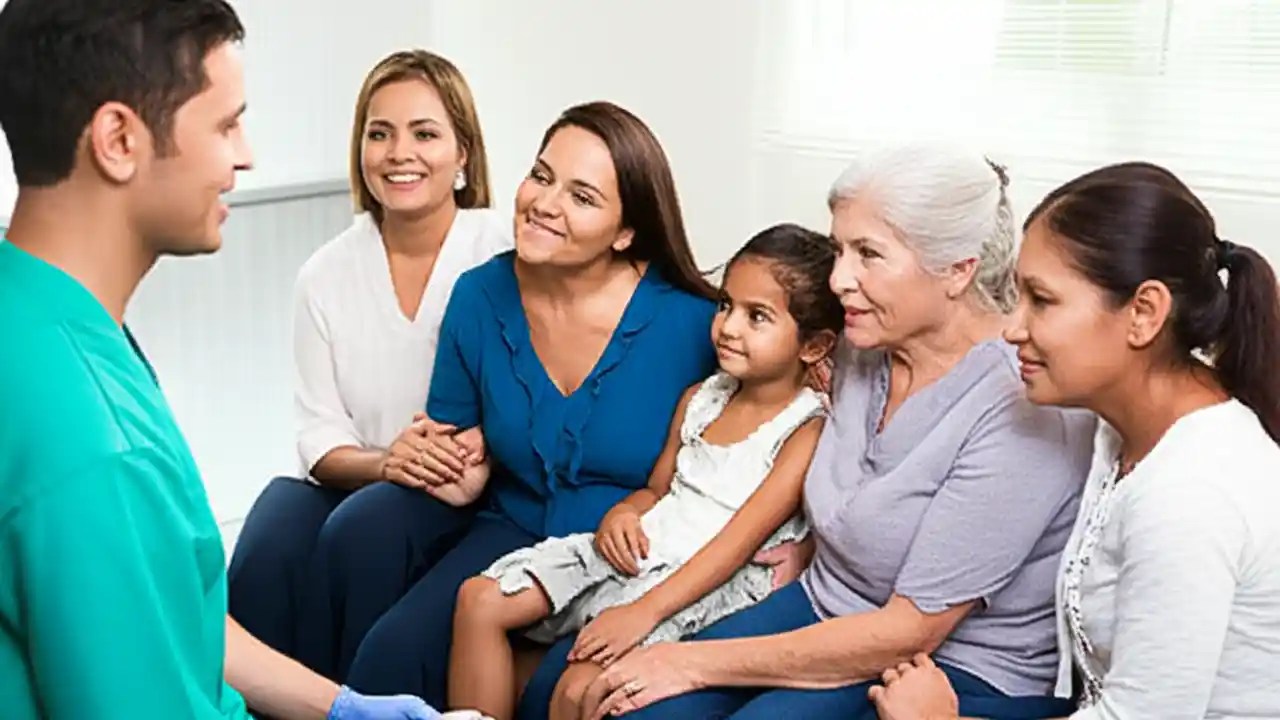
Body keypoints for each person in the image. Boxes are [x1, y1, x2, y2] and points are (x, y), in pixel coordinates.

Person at [0, 1, 443, 717]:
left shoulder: (34, 315)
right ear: (119, 140)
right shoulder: (97, 445)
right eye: (226, 125)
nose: (246, 156)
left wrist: (341, 706)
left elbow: (169, 615)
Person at [552, 146, 1094, 720]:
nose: (839, 279)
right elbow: (861, 485)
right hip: (824, 599)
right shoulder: (862, 346)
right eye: (839, 250)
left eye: (869, 255)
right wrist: (815, 547)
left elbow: (909, 630)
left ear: (958, 270)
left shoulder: (1021, 408)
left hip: (947, 662)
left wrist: (687, 662)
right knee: (622, 702)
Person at [299, 101, 720, 708]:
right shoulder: (479, 295)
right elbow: (457, 444)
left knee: (555, 687)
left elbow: (752, 449)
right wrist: (455, 468)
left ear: (625, 232)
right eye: (541, 176)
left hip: (627, 552)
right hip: (510, 531)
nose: (545, 203)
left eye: (581, 196)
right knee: (389, 655)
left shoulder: (694, 325)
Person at [869, 162, 1280, 720]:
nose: (1013, 328)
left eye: (1041, 300)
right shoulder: (1120, 428)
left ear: (1144, 313)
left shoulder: (1189, 496)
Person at [448, 223, 844, 720]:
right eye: (725, 305)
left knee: (580, 688)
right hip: (644, 549)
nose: (728, 327)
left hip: (700, 582)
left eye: (756, 316)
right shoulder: (701, 398)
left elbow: (735, 546)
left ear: (814, 346)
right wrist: (624, 513)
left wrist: (642, 613)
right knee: (479, 600)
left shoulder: (805, 431)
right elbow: (658, 489)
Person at [227, 48, 510, 660]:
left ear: (463, 152)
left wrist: (447, 458)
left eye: (424, 134)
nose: (399, 153)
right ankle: (248, 700)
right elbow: (319, 436)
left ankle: (342, 696)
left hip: (468, 490)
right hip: (366, 476)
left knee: (368, 530)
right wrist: (387, 464)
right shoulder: (324, 274)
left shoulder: (502, 253)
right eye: (379, 134)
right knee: (271, 531)